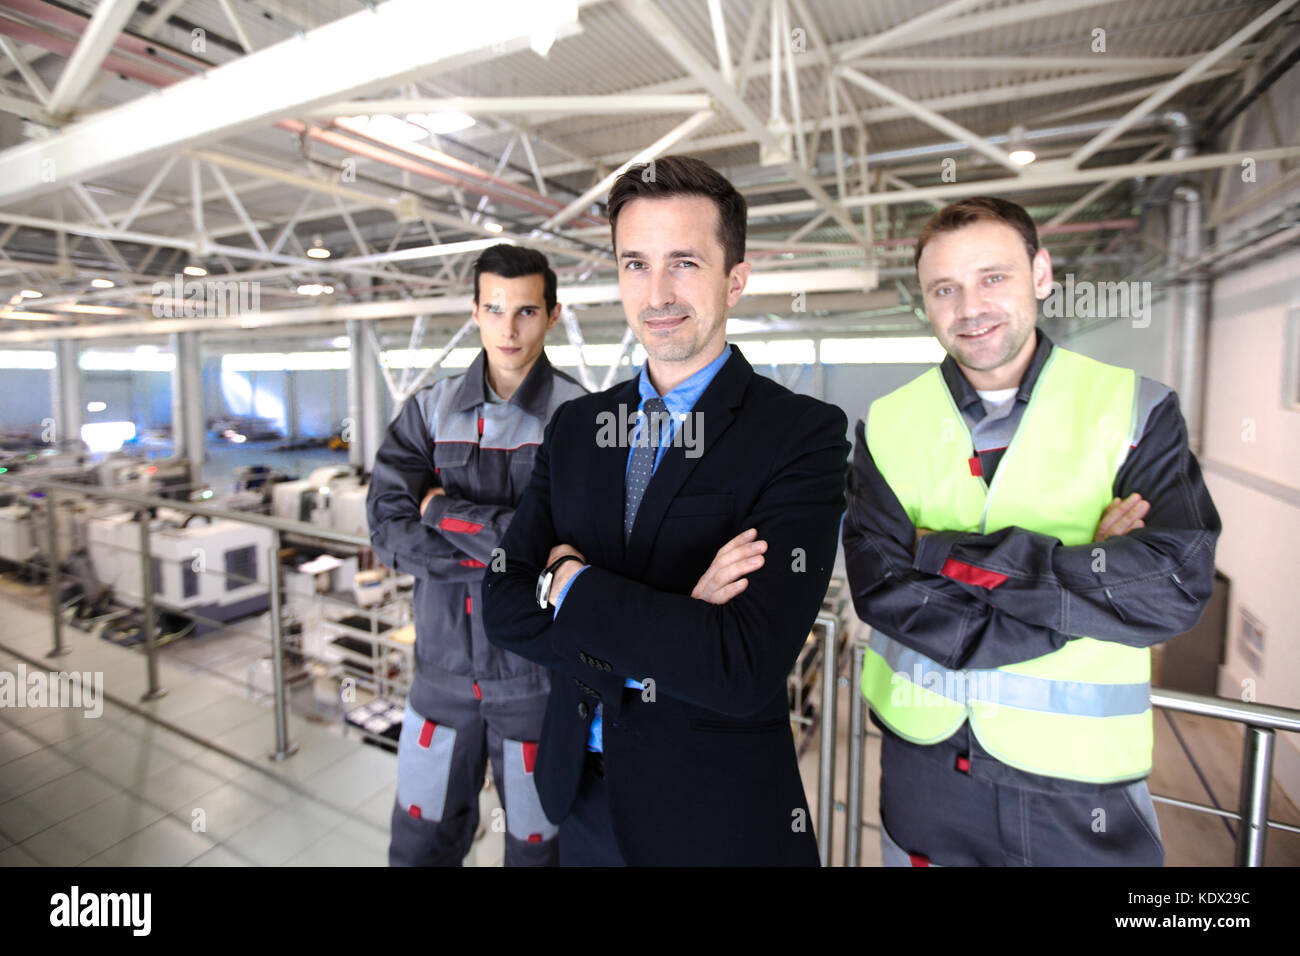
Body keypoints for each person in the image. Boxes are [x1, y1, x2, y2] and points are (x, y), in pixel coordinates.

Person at [481, 155, 849, 866]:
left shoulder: (800, 434)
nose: (658, 294)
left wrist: (568, 586)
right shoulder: (578, 426)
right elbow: (501, 603)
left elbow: (743, 665)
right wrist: (682, 615)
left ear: (734, 278)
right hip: (581, 796)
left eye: (684, 262)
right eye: (635, 264)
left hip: (714, 815)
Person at [843, 196, 1221, 866]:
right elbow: (882, 591)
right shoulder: (890, 423)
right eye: (945, 289)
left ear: (1040, 274)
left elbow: (1172, 586)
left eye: (994, 278)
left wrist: (938, 553)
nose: (971, 308)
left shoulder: (1134, 409)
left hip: (1077, 788)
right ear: (925, 303)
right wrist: (1084, 578)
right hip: (924, 771)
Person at [366, 243, 586, 866]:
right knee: (419, 845)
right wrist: (508, 558)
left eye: (525, 312)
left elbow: (575, 546)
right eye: (494, 310)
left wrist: (439, 511)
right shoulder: (427, 411)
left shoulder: (580, 417)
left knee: (539, 850)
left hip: (534, 681)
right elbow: (386, 528)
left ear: (551, 314)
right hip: (439, 678)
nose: (509, 329)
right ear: (475, 313)